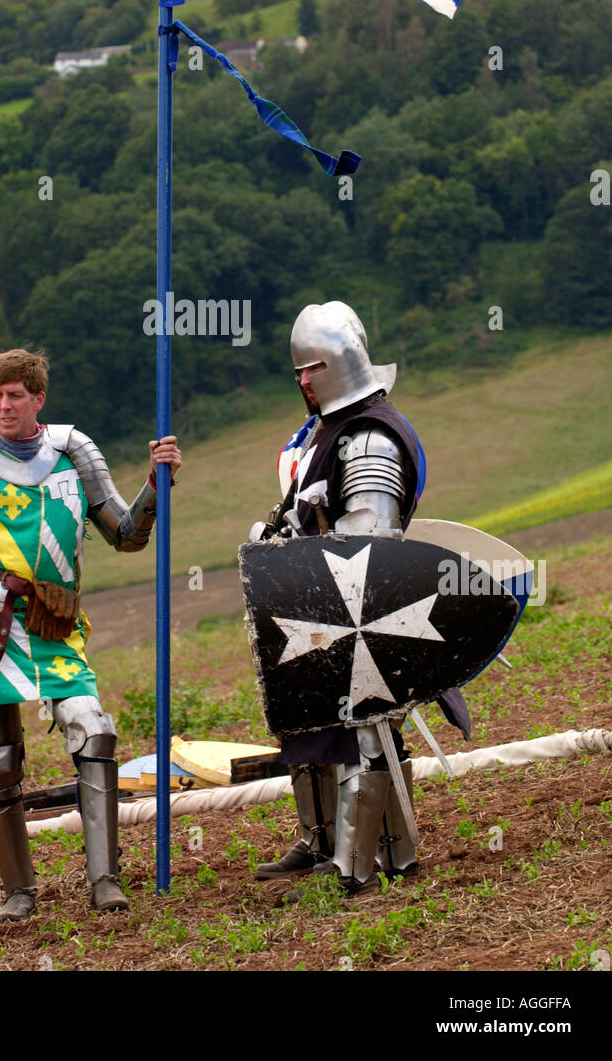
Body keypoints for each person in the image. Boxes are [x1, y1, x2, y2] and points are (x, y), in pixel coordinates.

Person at [0, 348, 181, 921]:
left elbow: (125, 534)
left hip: (55, 623)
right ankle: (18, 891)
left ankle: (105, 880)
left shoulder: (74, 450)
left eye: (15, 395)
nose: (3, 405)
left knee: (94, 731)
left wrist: (155, 487)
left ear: (38, 398)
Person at [249, 301, 448, 895]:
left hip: (359, 610)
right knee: (307, 719)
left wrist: (304, 550)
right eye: (298, 372)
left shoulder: (366, 438)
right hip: (316, 609)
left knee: (365, 729)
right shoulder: (329, 431)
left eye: (310, 369)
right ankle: (318, 839)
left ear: (334, 366)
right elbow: (310, 512)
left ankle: (366, 857)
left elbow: (370, 545)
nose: (302, 381)